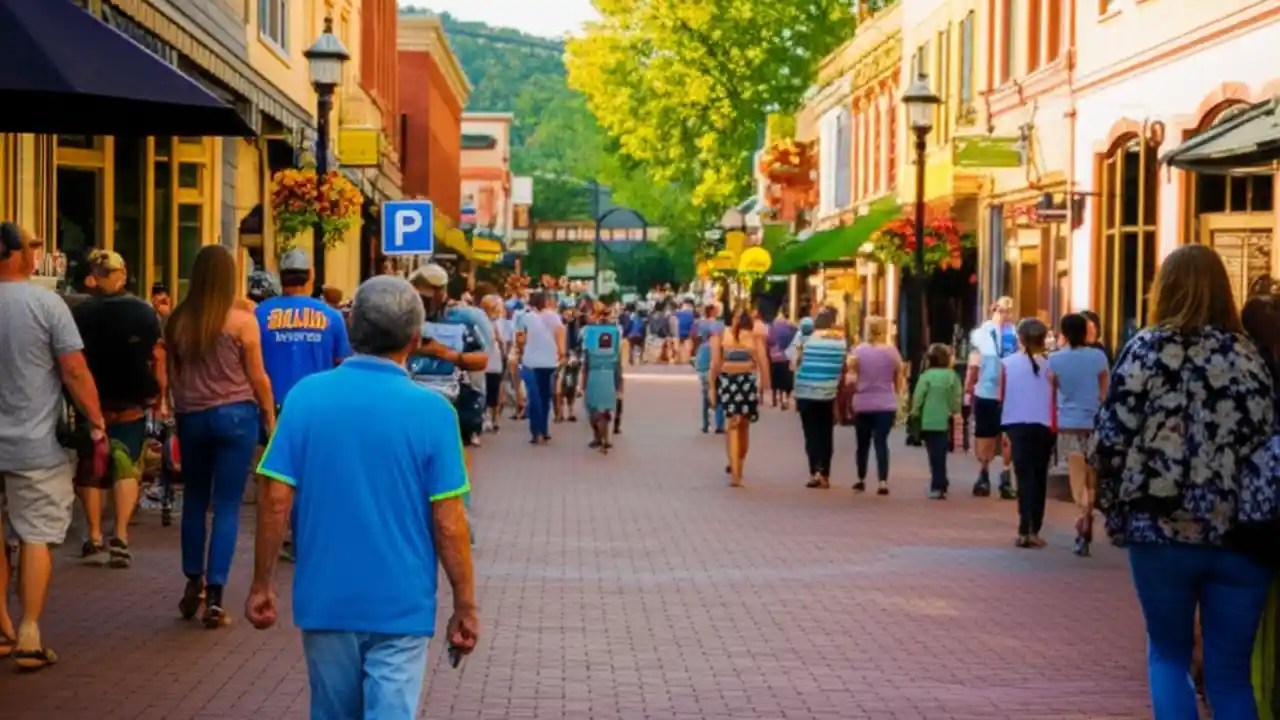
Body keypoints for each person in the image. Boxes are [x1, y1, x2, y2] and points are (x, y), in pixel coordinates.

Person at [247, 276, 479, 719]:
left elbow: (275, 497)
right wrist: (464, 603)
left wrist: (263, 582)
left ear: (351, 328)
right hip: (402, 602)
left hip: (326, 597)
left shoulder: (305, 398)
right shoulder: (434, 413)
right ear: (415, 338)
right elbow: (449, 520)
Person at [1090, 245, 1274, 717]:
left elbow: (1110, 438)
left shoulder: (1146, 349)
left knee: (1168, 655)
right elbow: (1265, 435)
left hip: (1159, 526)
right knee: (1230, 672)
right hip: (1241, 531)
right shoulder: (1248, 354)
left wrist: (1112, 503)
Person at [0, 222, 107, 670]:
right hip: (35, 444)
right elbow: (74, 370)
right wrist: (96, 422)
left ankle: (1, 624)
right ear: (15, 254)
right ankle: (29, 631)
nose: (35, 253)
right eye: (30, 246)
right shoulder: (47, 305)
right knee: (36, 535)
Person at [167, 245, 275, 629]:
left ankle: (192, 579)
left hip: (192, 415)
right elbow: (258, 376)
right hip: (235, 416)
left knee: (195, 499)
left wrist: (177, 408)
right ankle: (216, 597)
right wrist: (269, 417)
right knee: (227, 504)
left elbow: (174, 377)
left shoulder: (179, 320)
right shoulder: (242, 322)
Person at [255, 249, 351, 562]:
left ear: (281, 278)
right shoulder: (332, 317)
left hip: (272, 406)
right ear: (310, 276)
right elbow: (342, 364)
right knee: (310, 475)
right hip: (317, 407)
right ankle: (302, 536)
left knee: (275, 476)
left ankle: (276, 535)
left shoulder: (261, 315)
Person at [72, 249, 166, 568]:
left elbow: (74, 360)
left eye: (103, 274)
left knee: (91, 467)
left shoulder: (82, 312)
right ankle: (121, 536)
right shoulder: (143, 311)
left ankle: (95, 536)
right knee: (125, 465)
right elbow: (158, 356)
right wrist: (161, 396)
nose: (101, 279)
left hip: (92, 400)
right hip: (131, 400)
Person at [1047, 313, 1109, 557]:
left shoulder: (1055, 360)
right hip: (1094, 421)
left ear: (1063, 333)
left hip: (1069, 423)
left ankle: (1083, 513)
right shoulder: (1098, 357)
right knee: (1093, 473)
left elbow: (1052, 387)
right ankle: (1088, 513)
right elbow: (1105, 390)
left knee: (1076, 474)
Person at [1000, 318, 1055, 549]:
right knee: (1039, 474)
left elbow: (1000, 395)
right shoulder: (1052, 365)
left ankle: (1024, 527)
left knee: (1023, 475)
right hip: (1043, 423)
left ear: (1020, 339)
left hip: (1015, 423)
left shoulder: (1006, 364)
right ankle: (1034, 527)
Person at [709, 308, 771, 488]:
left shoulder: (722, 336)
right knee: (743, 426)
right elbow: (763, 362)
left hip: (728, 383)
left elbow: (715, 365)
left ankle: (735, 468)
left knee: (732, 426)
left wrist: (713, 387)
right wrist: (766, 387)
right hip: (747, 383)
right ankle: (739, 465)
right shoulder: (754, 338)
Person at [966, 297, 1017, 500]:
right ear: (993, 310)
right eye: (1001, 310)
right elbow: (975, 364)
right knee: (988, 435)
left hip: (1005, 393)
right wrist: (969, 387)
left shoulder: (1012, 333)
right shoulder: (985, 333)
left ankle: (1003, 474)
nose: (1005, 314)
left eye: (1008, 310)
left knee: (1005, 436)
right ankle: (985, 473)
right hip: (989, 392)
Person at [849, 316, 905, 495]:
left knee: (862, 443)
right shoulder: (891, 352)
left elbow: (852, 376)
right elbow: (899, 375)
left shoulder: (858, 351)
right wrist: (897, 395)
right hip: (885, 403)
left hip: (863, 402)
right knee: (881, 442)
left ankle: (860, 478)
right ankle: (882, 481)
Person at [794, 307, 846, 489]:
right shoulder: (841, 342)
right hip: (827, 393)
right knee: (825, 432)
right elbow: (843, 367)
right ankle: (824, 472)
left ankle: (814, 469)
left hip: (806, 391)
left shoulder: (805, 340)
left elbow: (794, 363)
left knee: (810, 433)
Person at [911, 344, 962, 499]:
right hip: (944, 419)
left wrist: (914, 413)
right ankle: (941, 481)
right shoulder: (952, 376)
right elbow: (956, 398)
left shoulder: (926, 376)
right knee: (941, 452)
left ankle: (937, 483)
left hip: (928, 419)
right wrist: (955, 411)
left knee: (933, 453)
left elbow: (918, 397)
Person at [515, 291, 565, 445]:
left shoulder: (524, 317)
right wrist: (561, 353)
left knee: (534, 395)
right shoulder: (554, 316)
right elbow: (560, 333)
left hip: (530, 361)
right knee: (545, 396)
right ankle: (544, 429)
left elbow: (520, 338)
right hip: (549, 361)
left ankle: (535, 431)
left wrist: (522, 348)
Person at [581, 302, 623, 453]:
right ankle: (603, 438)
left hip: (594, 373)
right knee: (604, 409)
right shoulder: (615, 331)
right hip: (609, 374)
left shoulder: (588, 332)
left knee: (593, 409)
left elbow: (586, 358)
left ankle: (600, 437)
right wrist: (619, 382)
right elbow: (618, 359)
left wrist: (583, 382)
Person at [691, 303, 726, 434]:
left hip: (703, 356)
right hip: (716, 356)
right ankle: (720, 424)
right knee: (719, 391)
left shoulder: (699, 324)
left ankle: (706, 423)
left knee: (706, 392)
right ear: (713, 311)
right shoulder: (720, 325)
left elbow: (695, 339)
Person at [481, 294, 508, 432]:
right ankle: (489, 418)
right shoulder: (485, 322)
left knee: (492, 390)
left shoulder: (496, 322)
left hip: (492, 360)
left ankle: (493, 419)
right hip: (488, 360)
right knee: (488, 389)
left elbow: (502, 340)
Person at [766, 311, 798, 410]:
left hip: (774, 357)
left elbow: (769, 341)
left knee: (774, 379)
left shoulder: (772, 327)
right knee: (785, 379)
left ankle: (774, 399)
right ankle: (784, 398)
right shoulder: (789, 328)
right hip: (785, 357)